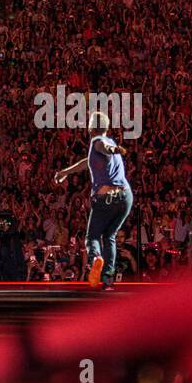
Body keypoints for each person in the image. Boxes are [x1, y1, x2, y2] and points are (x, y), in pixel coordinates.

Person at [54, 111, 132, 289]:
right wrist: (65, 172)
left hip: (106, 198)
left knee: (92, 238)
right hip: (125, 196)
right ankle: (108, 280)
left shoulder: (98, 142)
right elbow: (87, 161)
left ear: (90, 128)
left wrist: (112, 149)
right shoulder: (109, 141)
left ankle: (96, 258)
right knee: (110, 236)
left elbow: (102, 147)